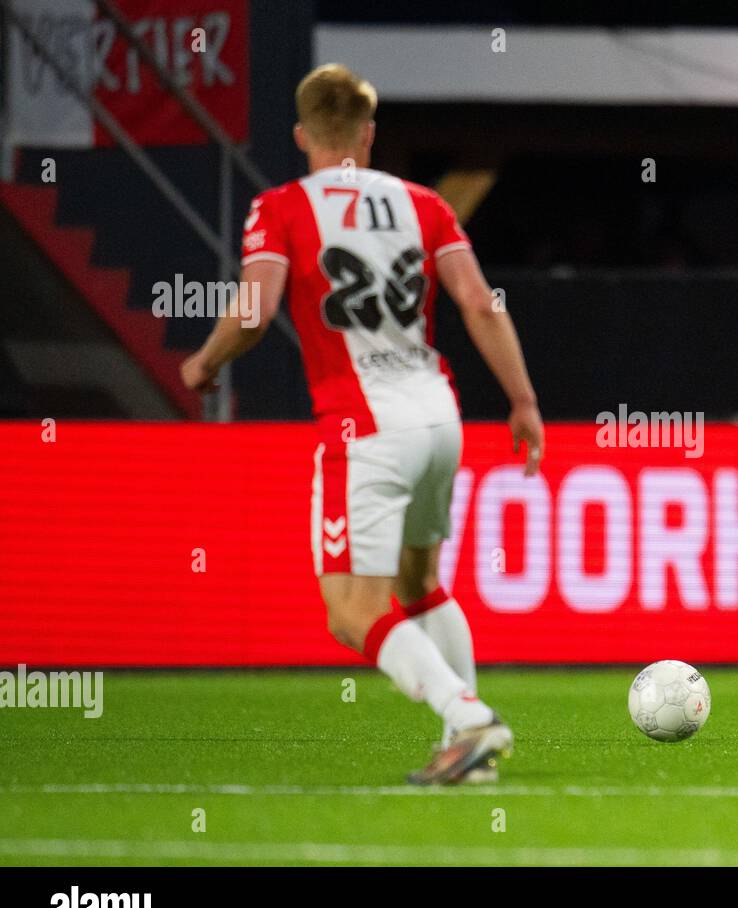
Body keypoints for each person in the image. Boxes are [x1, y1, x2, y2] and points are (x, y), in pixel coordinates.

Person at [180, 64, 544, 785]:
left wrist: (204, 361)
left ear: (301, 135)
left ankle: (469, 718)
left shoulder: (281, 207)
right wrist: (524, 400)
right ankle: (467, 754)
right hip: (439, 414)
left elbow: (255, 311)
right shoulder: (423, 205)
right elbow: (477, 301)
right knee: (421, 580)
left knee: (350, 613)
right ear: (369, 133)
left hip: (365, 425)